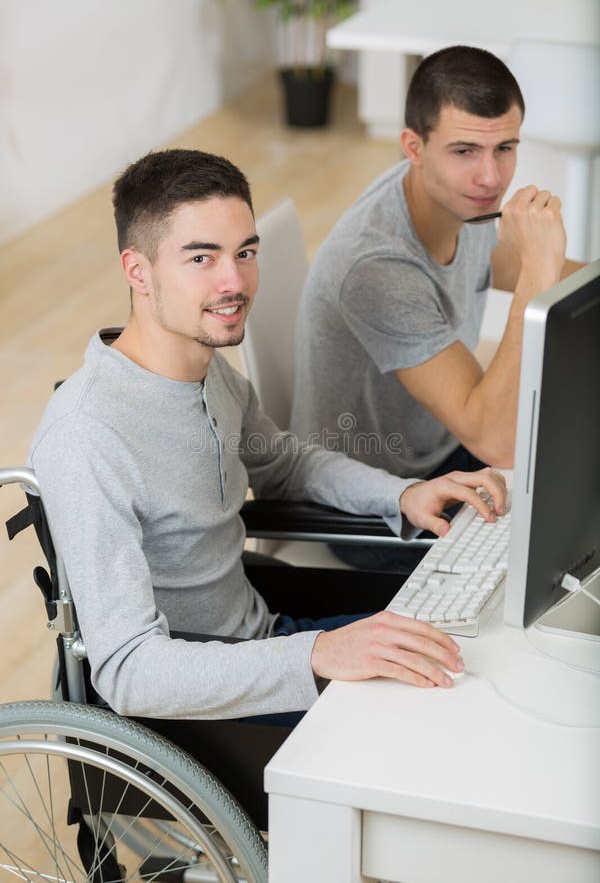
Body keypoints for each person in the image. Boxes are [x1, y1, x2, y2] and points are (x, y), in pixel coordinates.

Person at [29, 149, 506, 722]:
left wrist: (400, 494)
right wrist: (319, 653)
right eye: (201, 258)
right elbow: (130, 671)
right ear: (137, 270)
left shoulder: (206, 370)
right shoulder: (86, 437)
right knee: (458, 702)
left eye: (245, 252)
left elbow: (284, 465)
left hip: (264, 639)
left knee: (477, 644)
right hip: (205, 707)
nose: (234, 281)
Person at [290, 45, 581, 572]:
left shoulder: (453, 202)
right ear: (414, 146)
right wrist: (539, 267)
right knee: (559, 548)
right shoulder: (378, 267)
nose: (491, 177)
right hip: (377, 504)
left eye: (505, 148)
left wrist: (549, 265)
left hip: (446, 454)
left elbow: (511, 265)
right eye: (465, 150)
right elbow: (496, 439)